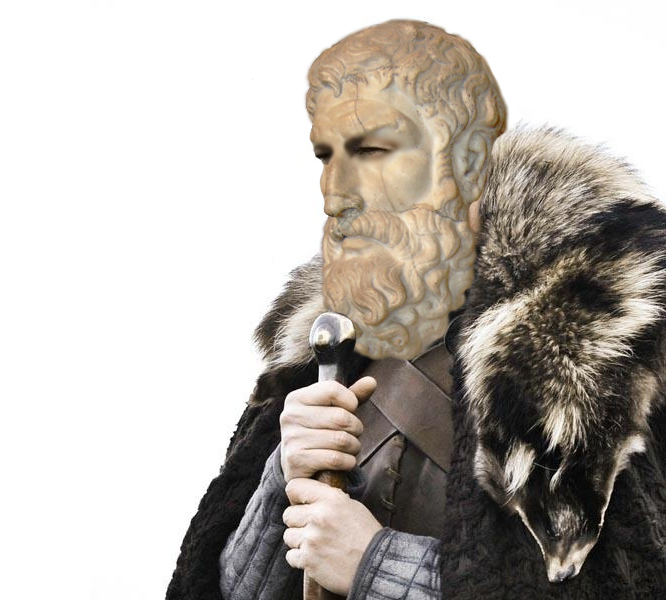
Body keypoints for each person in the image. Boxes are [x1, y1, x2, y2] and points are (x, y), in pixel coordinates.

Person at [167, 20, 666, 600]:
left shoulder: (599, 336)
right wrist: (282, 476)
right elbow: (216, 589)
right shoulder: (322, 348)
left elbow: (630, 583)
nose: (336, 189)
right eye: (326, 155)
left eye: (371, 150)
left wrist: (374, 563)